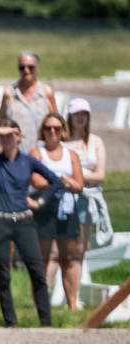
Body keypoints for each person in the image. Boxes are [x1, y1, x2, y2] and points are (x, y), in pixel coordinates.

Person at [0, 120, 62, 327]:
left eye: (11, 135)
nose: (7, 139)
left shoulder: (28, 161)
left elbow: (56, 181)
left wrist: (40, 201)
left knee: (37, 272)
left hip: (24, 222)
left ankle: (46, 322)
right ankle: (11, 323)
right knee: (3, 273)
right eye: (3, 136)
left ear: (19, 137)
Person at [29, 112, 85, 310]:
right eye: (48, 128)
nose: (52, 131)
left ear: (63, 131)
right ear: (43, 131)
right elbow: (35, 181)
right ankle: (40, 305)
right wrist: (61, 181)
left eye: (57, 128)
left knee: (68, 258)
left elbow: (79, 184)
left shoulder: (71, 155)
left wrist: (57, 181)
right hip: (44, 209)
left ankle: (71, 303)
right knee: (42, 259)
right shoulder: (37, 153)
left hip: (66, 208)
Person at [64, 97, 109, 255]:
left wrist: (75, 175)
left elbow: (100, 175)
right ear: (70, 116)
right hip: (67, 195)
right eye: (76, 114)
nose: (80, 117)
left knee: (81, 246)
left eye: (84, 114)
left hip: (88, 195)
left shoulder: (96, 141)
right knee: (64, 244)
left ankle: (77, 278)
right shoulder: (63, 142)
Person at [0, 49, 57, 152]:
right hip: (15, 154)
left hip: (41, 153)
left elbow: (56, 123)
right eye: (22, 67)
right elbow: (0, 124)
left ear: (37, 68)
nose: (26, 70)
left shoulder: (46, 92)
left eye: (30, 67)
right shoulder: (9, 93)